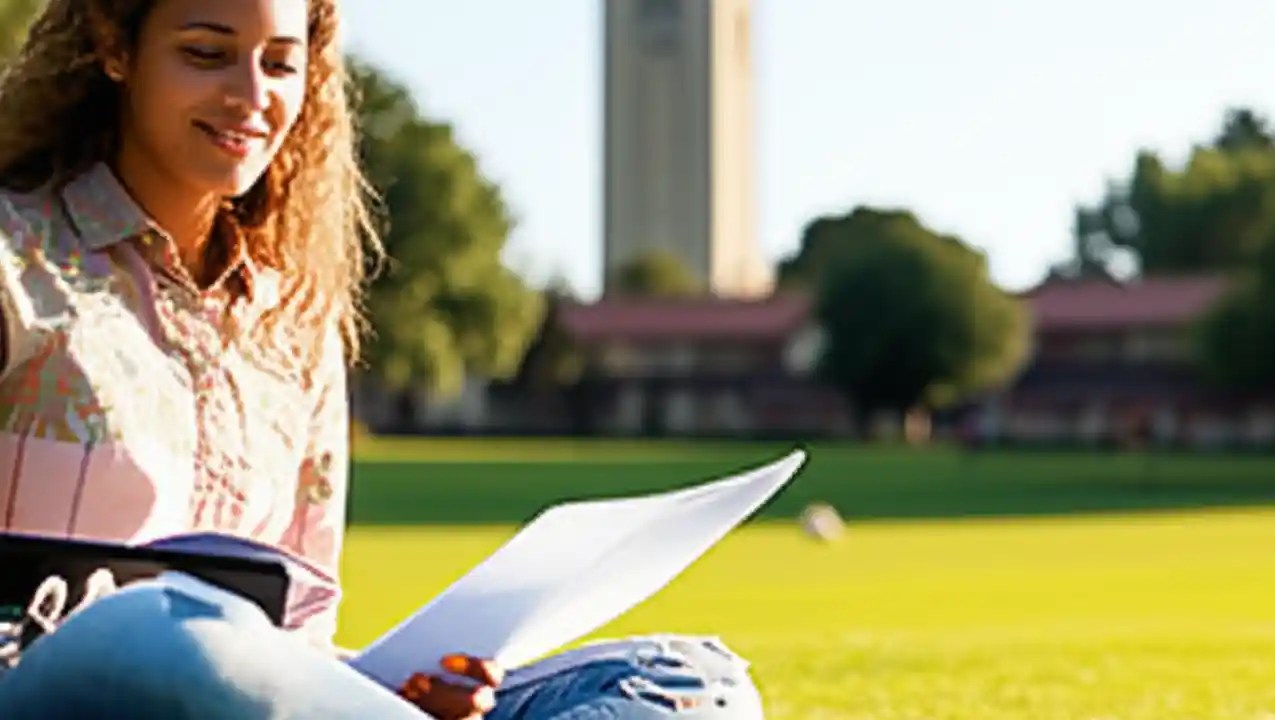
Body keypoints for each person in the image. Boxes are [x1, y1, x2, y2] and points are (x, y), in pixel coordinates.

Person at [0, 0, 765, 718]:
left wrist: (403, 692)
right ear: (114, 46)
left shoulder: (292, 322)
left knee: (690, 680)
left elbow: (299, 628)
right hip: (55, 681)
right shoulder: (15, 260)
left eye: (279, 64)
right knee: (158, 629)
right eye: (206, 54)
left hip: (260, 701)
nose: (249, 96)